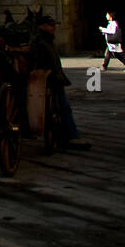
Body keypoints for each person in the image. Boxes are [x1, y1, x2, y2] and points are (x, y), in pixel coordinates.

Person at [31, 14, 90, 149]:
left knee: (63, 108)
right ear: (42, 26)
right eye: (51, 25)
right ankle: (71, 137)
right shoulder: (41, 42)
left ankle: (67, 134)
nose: (54, 28)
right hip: (49, 80)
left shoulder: (45, 40)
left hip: (52, 78)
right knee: (64, 108)